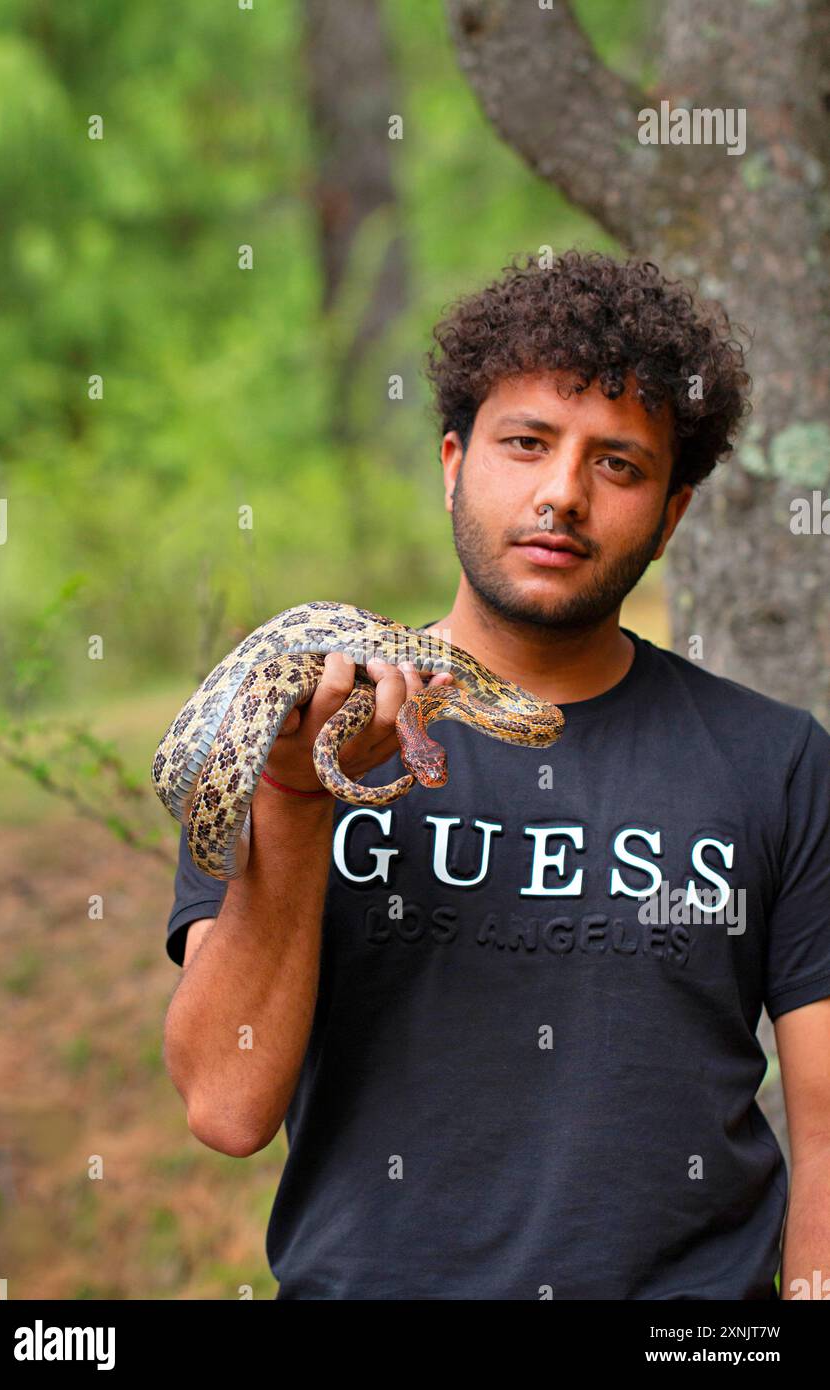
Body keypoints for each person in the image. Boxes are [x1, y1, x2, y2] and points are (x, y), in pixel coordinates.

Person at [162, 250, 830, 1301]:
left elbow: (825, 1133)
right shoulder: (293, 722)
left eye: (617, 464)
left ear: (670, 515)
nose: (560, 494)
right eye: (524, 443)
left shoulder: (775, 761)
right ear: (450, 462)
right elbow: (225, 1107)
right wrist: (295, 796)